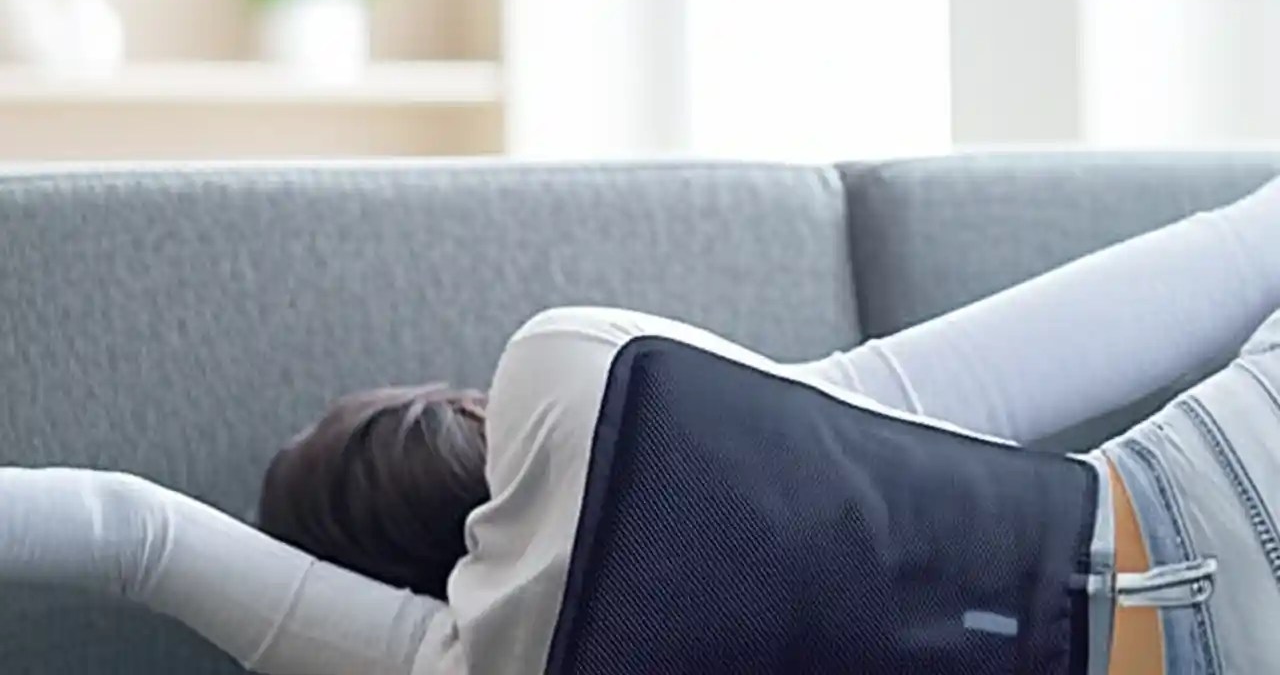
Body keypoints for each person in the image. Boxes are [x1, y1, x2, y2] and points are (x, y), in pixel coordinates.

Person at [3, 175, 1280, 675]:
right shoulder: (573, 372)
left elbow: (138, 536)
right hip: (1210, 467)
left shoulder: (469, 668)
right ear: (464, 416)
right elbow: (1221, 261)